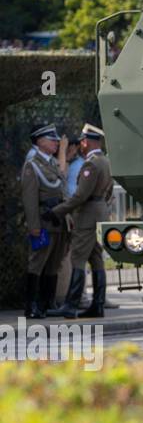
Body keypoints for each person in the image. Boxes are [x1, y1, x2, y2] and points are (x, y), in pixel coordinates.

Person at [48, 124, 113, 319]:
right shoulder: (105, 161)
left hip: (87, 216)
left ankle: (70, 305)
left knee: (78, 257)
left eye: (82, 141)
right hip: (100, 212)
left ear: (86, 142)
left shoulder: (90, 164)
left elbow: (80, 196)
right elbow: (109, 192)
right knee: (96, 258)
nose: (81, 145)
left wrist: (58, 211)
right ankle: (98, 304)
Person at [20, 124, 68, 318]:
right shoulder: (32, 165)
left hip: (58, 221)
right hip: (43, 221)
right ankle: (31, 305)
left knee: (54, 263)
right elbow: (29, 198)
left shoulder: (52, 163)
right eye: (51, 139)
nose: (56, 142)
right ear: (40, 141)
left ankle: (47, 303)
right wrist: (34, 226)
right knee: (37, 263)